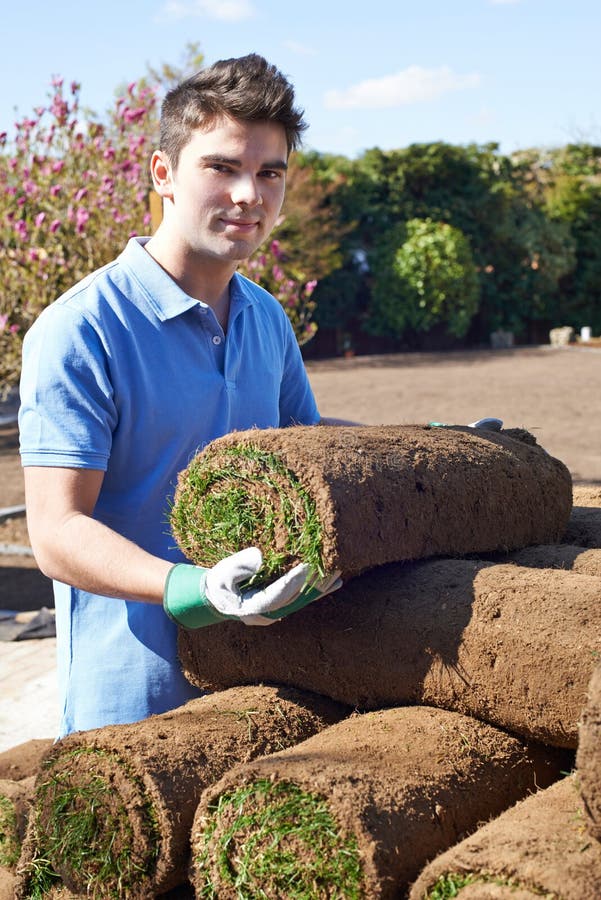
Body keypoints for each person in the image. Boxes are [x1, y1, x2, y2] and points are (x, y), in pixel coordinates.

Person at [18, 54, 345, 738]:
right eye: (222, 168)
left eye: (268, 173)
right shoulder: (82, 329)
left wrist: (434, 448)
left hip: (261, 689)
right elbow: (55, 533)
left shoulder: (265, 318)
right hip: (132, 706)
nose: (249, 195)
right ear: (163, 174)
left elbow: (304, 455)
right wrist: (191, 588)